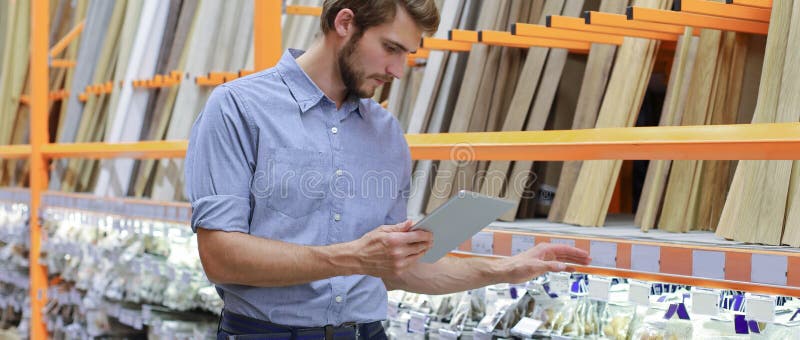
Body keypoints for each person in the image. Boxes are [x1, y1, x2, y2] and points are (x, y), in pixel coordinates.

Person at [184, 1, 591, 339]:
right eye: (391, 48)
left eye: (407, 55)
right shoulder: (238, 108)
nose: (398, 70)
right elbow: (221, 257)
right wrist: (354, 257)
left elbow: (399, 269)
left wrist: (508, 268)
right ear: (345, 23)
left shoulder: (386, 132)